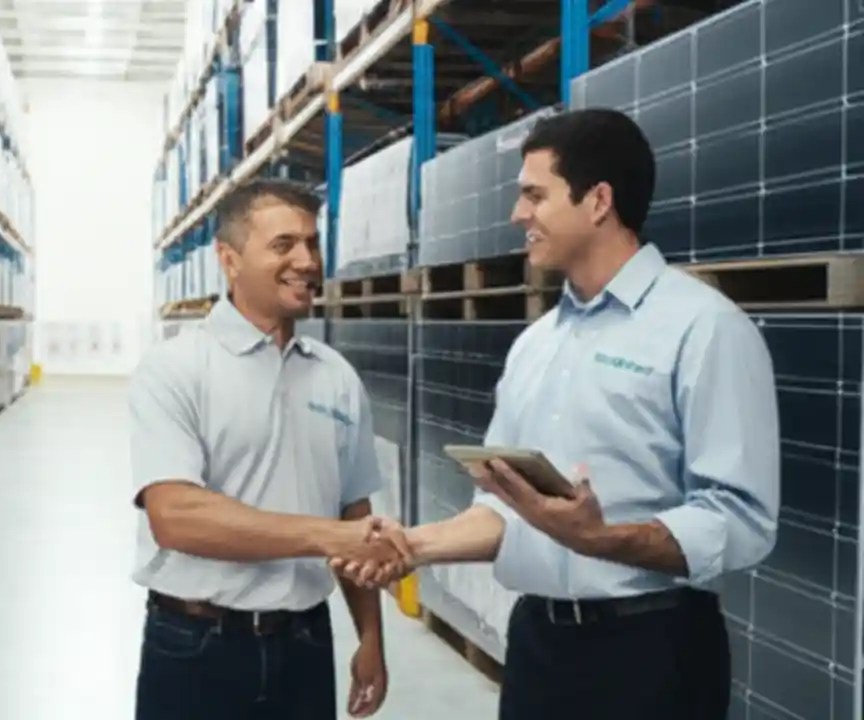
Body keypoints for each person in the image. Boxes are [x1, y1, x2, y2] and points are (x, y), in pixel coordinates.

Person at [334, 108, 780, 719]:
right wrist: (414, 544)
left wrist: (602, 540)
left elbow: (742, 519)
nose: (519, 215)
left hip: (653, 652)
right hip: (540, 648)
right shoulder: (536, 344)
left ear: (598, 201)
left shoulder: (705, 330)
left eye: (534, 195)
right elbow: (505, 507)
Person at [128, 178, 410, 719]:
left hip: (303, 640)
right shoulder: (177, 368)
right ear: (229, 260)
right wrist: (327, 535)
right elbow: (176, 517)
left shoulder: (335, 377)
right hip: (196, 644)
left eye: (312, 244)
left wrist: (370, 635)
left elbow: (354, 510)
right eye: (283, 245)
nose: (306, 261)